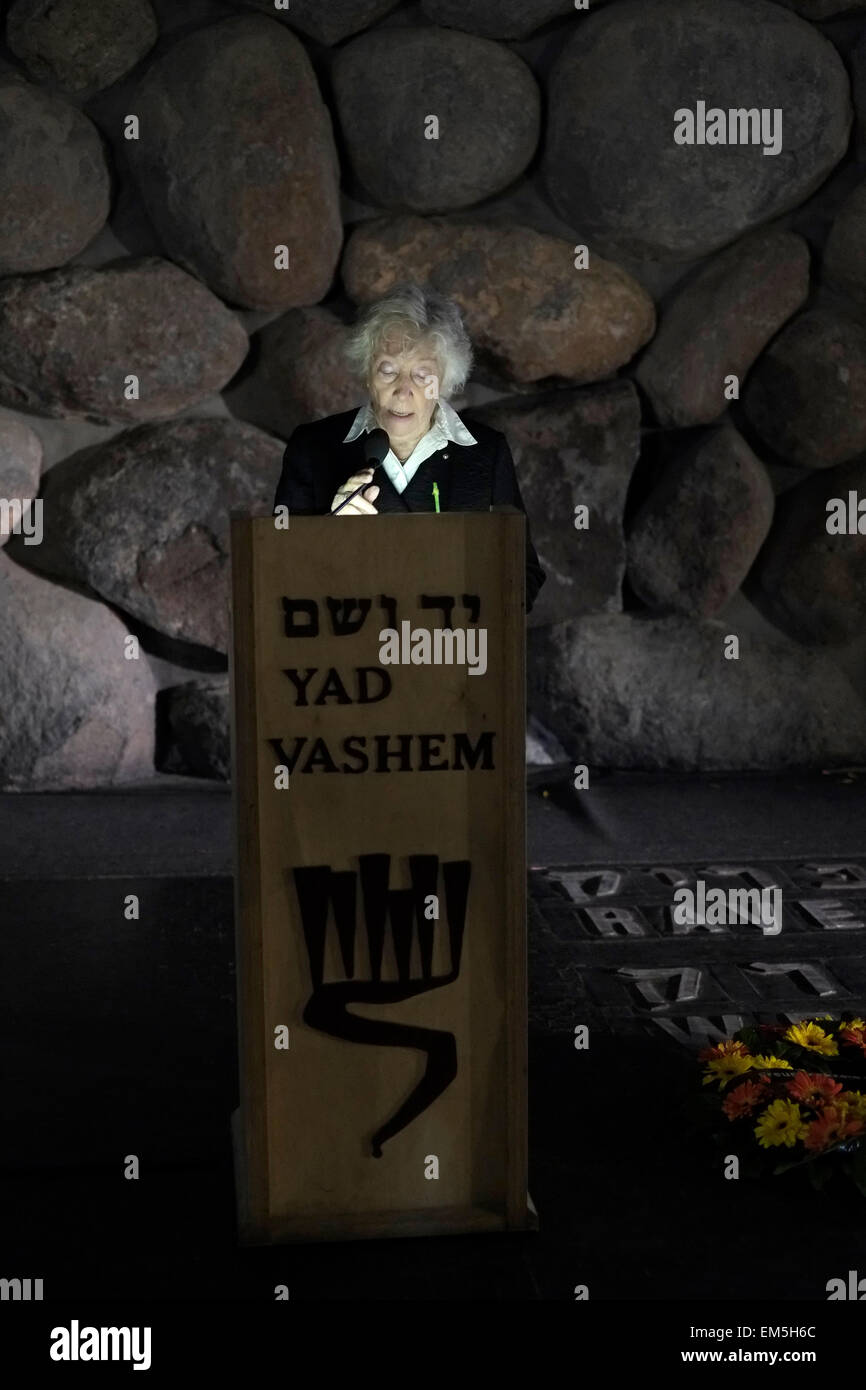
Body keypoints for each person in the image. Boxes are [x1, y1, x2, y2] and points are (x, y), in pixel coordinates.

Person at [272, 282, 546, 613]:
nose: (403, 392)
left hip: (451, 654)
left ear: (445, 382)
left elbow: (524, 578)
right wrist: (328, 540)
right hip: (351, 659)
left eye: (421, 376)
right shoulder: (312, 448)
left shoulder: (486, 453)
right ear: (367, 374)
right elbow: (275, 577)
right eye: (388, 371)